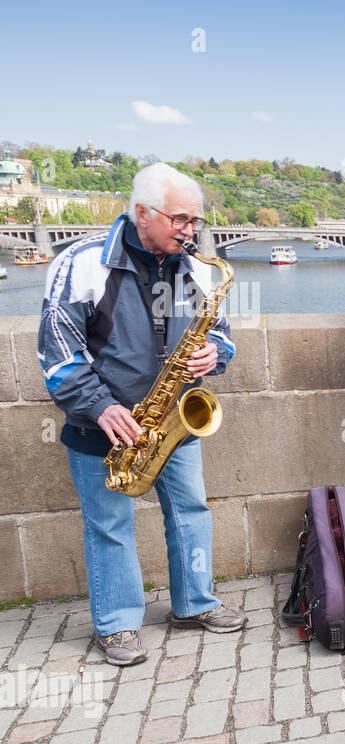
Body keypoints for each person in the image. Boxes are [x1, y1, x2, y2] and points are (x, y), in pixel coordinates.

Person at [37, 163, 245, 667]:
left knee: (191, 512)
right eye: (179, 220)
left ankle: (195, 604)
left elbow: (220, 331)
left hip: (173, 419)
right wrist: (101, 406)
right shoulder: (81, 263)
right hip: (105, 424)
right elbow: (57, 355)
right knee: (109, 526)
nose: (190, 231)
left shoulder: (196, 266)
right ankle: (117, 625)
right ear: (141, 214)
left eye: (195, 221)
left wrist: (215, 353)